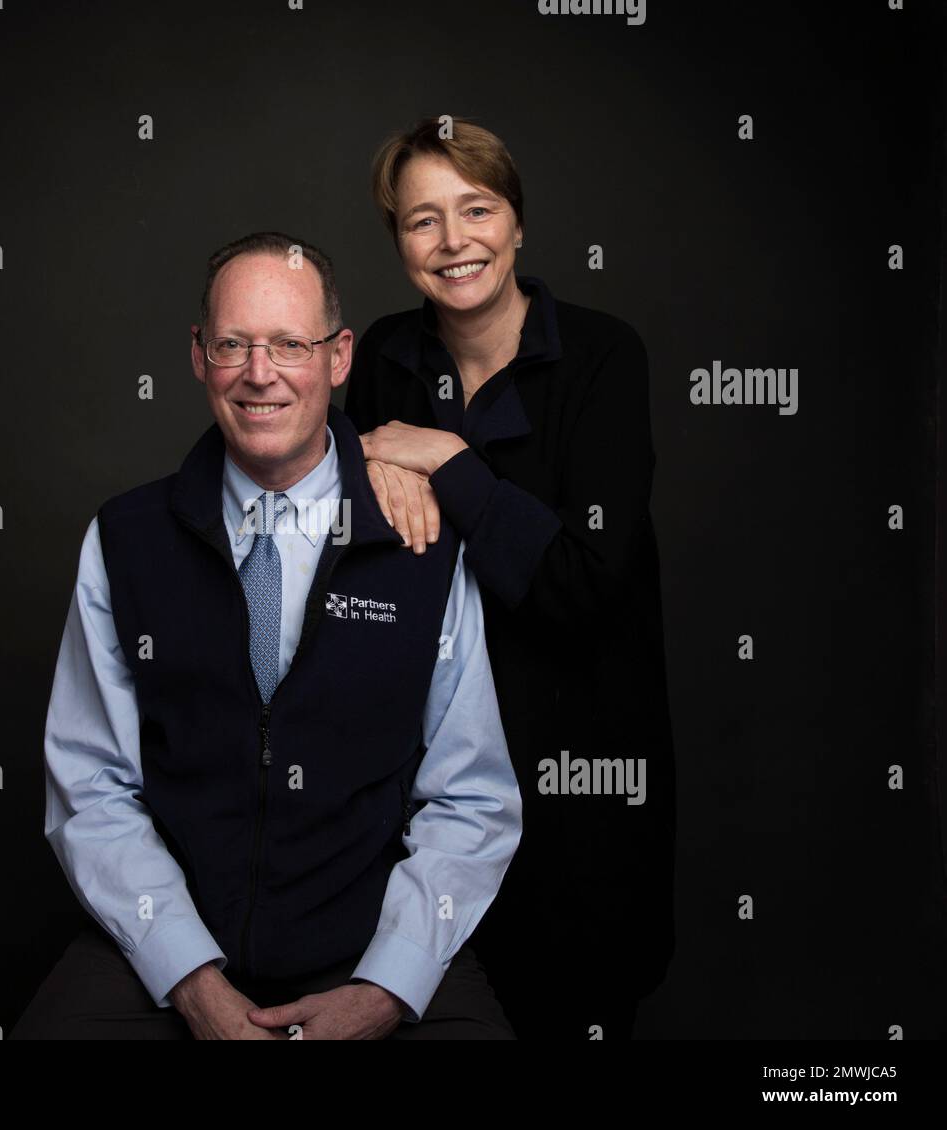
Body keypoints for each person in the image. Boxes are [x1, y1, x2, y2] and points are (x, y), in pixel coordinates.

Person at [11, 231, 522, 1040]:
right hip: (167, 942)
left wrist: (387, 987)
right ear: (197, 355)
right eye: (233, 344)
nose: (260, 373)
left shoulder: (420, 540)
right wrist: (189, 977)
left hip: (369, 942)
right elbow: (93, 785)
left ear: (339, 356)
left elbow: (471, 799)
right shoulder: (126, 538)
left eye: (290, 343)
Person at [343, 118, 676, 1040]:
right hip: (427, 782)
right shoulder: (381, 357)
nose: (454, 242)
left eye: (476, 209)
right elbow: (358, 557)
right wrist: (372, 465)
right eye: (422, 220)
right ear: (399, 241)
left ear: (517, 223)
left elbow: (581, 584)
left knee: (573, 1006)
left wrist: (446, 459)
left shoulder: (605, 357)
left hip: (579, 769)